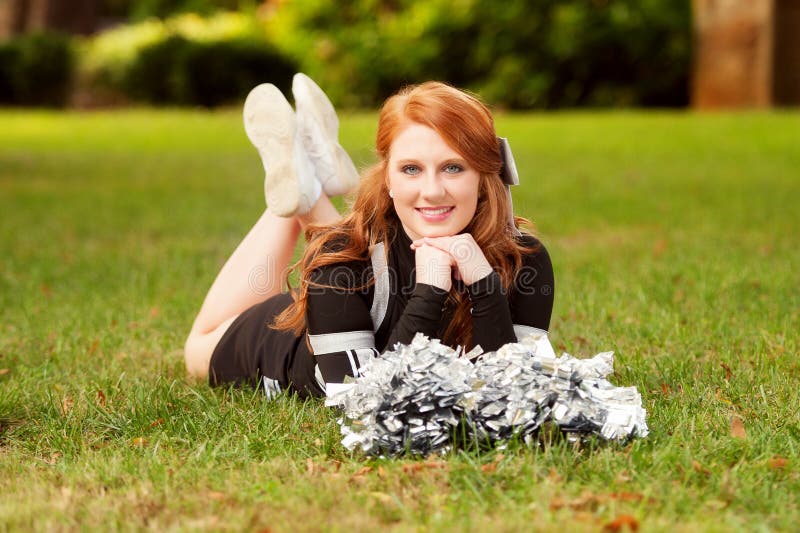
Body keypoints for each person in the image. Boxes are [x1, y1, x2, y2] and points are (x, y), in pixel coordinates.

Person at [183, 75, 555, 399]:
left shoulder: (525, 259)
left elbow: (515, 391)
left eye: (453, 168)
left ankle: (307, 179)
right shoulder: (340, 262)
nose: (432, 191)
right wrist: (429, 291)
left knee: (347, 252)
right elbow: (368, 400)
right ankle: (305, 181)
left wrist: (485, 284)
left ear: (483, 176)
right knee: (197, 350)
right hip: (282, 337)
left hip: (349, 299)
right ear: (387, 177)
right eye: (411, 169)